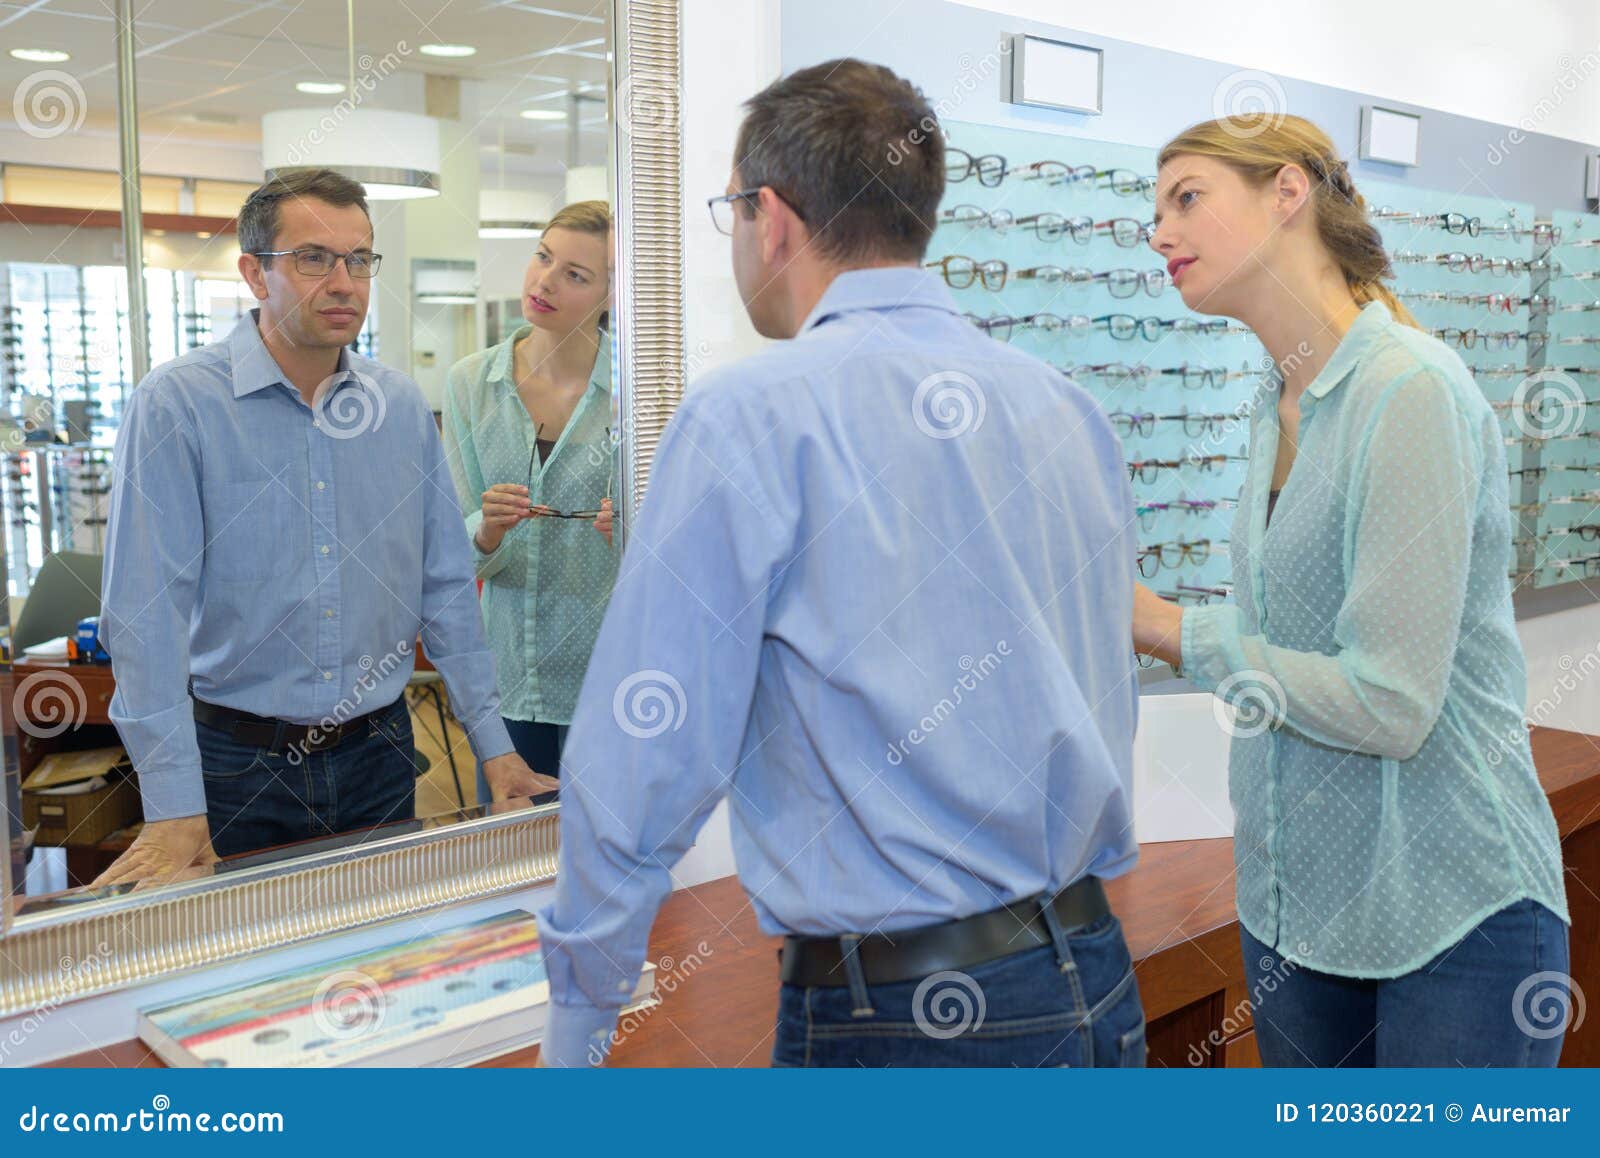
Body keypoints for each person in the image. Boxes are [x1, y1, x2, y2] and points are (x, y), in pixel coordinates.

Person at [534, 59, 1145, 1068]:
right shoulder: (1066, 408)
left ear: (771, 217)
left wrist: (578, 1022)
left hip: (905, 1021)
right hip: (1089, 971)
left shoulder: (750, 418)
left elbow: (646, 754)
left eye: (733, 211)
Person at [1133, 114, 1571, 1066]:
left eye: (1187, 198)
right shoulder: (1276, 403)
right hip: (1298, 911)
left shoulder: (1409, 392)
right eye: (1155, 209)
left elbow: (1389, 702)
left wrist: (1173, 631)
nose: (1159, 231)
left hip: (1450, 914)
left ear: (1287, 193)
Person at [96, 168, 553, 883]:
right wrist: (171, 800)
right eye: (313, 258)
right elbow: (145, 615)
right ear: (254, 272)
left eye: (359, 259)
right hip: (235, 767)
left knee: (385, 964)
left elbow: (444, 588)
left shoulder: (398, 407)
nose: (343, 282)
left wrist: (494, 746)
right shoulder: (179, 404)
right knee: (238, 981)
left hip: (380, 754)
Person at [442, 201, 618, 800]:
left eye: (576, 274)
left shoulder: (639, 388)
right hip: (512, 677)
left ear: (612, 296)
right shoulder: (471, 383)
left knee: (614, 853)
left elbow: (682, 547)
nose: (544, 281)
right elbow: (451, 549)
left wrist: (632, 529)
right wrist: (486, 530)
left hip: (614, 675)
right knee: (515, 862)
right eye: (543, 257)